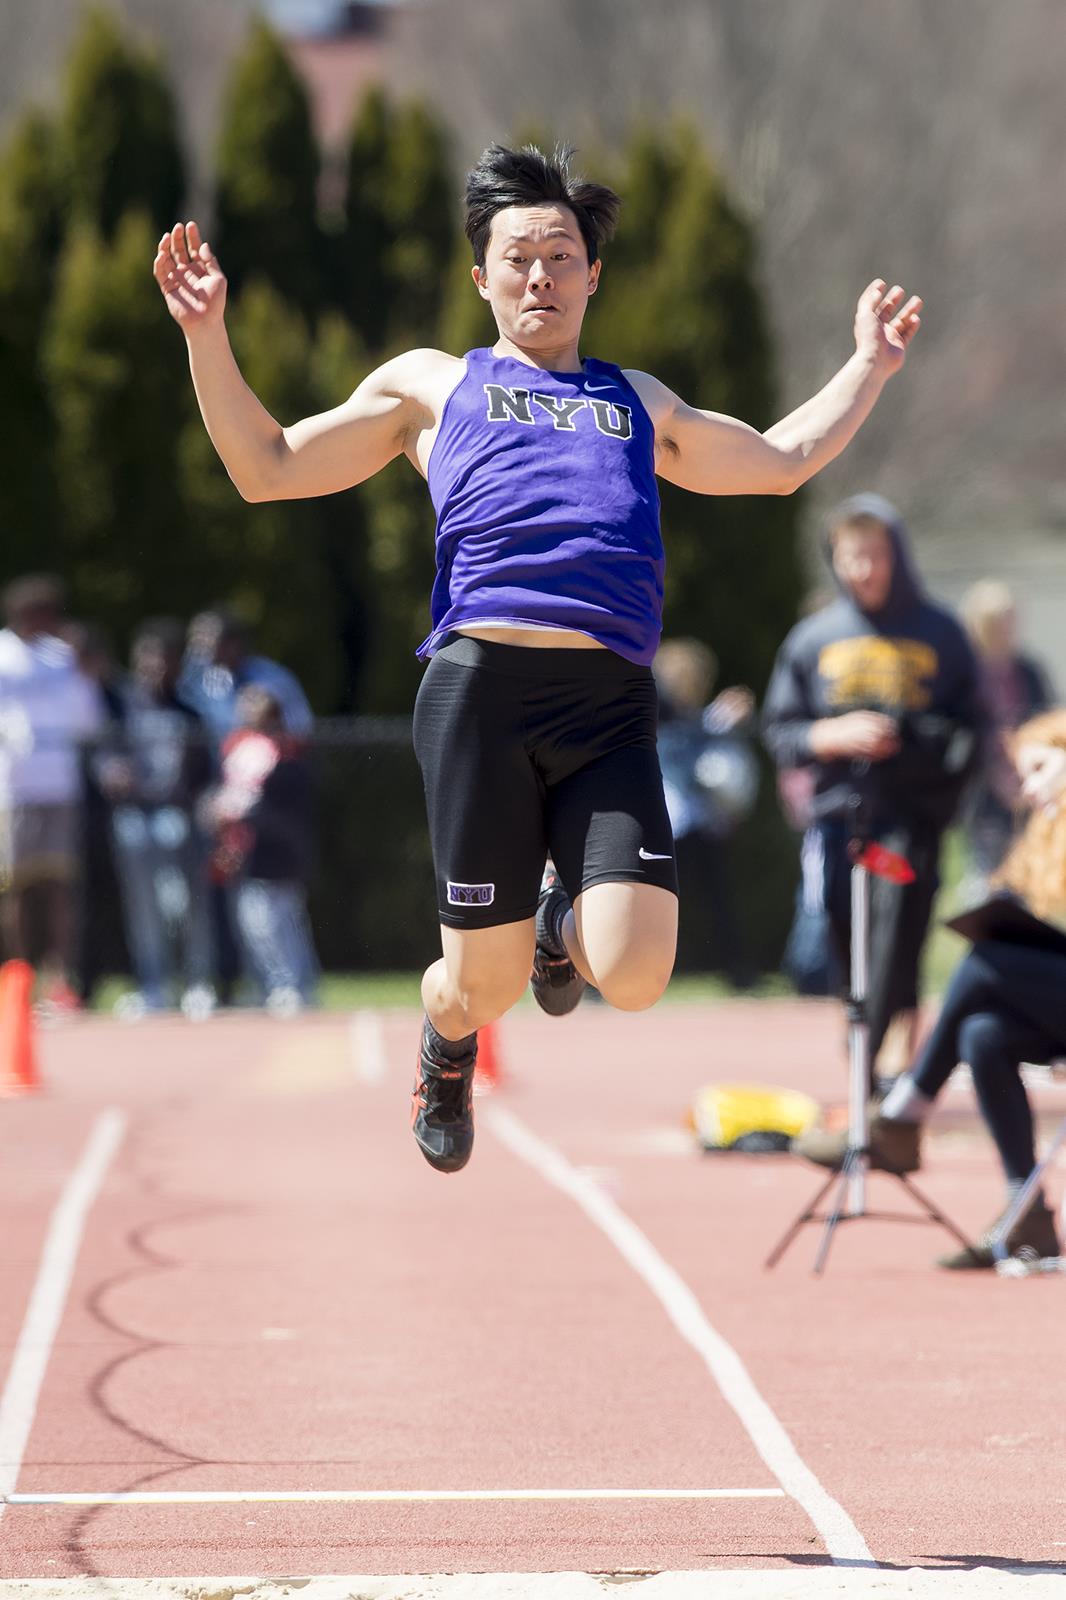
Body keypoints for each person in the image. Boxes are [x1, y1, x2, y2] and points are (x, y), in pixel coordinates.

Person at [154, 142, 922, 1173]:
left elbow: (780, 462)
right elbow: (267, 467)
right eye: (517, 259)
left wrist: (868, 365)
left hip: (607, 703)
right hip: (480, 696)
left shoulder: (636, 400)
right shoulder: (434, 386)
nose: (539, 278)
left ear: (593, 275)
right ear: (481, 277)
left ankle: (559, 921)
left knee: (636, 976)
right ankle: (446, 1042)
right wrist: (207, 335)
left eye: (561, 258)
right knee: (483, 984)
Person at [795, 708, 1066, 1269]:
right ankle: (1028, 1213)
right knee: (984, 1035)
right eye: (1024, 775)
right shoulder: (1045, 836)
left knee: (985, 961)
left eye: (1042, 768)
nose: (1029, 787)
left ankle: (902, 1114)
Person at [762, 495, 984, 1091]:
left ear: (897, 557)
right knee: (848, 939)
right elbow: (779, 732)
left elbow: (972, 727)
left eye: (875, 556)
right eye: (851, 557)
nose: (864, 570)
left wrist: (918, 746)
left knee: (899, 936)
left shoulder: (941, 633)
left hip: (910, 821)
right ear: (835, 559)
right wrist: (831, 735)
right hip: (839, 820)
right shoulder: (813, 638)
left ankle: (886, 1064)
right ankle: (864, 1049)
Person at [95, 619, 215, 1017]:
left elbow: (205, 771)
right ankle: (154, 986)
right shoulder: (120, 706)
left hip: (177, 816)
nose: (156, 666)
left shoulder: (189, 711)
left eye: (165, 658)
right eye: (148, 657)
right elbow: (103, 756)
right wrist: (111, 772)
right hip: (134, 816)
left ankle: (197, 983)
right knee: (143, 909)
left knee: (186, 906)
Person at [0, 575, 103, 1008]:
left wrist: (84, 674)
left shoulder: (62, 658)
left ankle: (59, 979)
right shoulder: (3, 654)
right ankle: (20, 977)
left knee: (60, 886)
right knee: (19, 887)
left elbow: (88, 722)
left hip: (59, 784)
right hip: (15, 787)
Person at [202, 685, 318, 1014]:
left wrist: (241, 814)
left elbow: (276, 803)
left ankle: (293, 985)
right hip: (244, 847)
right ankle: (270, 984)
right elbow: (231, 790)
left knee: (278, 921)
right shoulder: (239, 747)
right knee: (252, 922)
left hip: (275, 849)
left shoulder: (285, 752)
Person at [653, 638, 756, 982]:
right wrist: (719, 717)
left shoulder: (692, 715)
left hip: (698, 824)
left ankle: (738, 971)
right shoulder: (654, 709)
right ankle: (641, 969)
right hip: (665, 823)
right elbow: (684, 739)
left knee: (718, 898)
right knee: (657, 901)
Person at [958, 579, 1053, 884]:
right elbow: (962, 734)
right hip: (983, 793)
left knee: (1029, 875)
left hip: (1029, 786)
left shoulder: (1029, 671)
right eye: (999, 621)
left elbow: (1048, 723)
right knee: (986, 879)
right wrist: (994, 774)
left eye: (1011, 619)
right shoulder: (966, 675)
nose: (1008, 629)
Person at [179, 609, 313, 743]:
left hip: (262, 752)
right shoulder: (194, 678)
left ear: (234, 644)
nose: (200, 647)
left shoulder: (273, 677)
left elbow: (302, 726)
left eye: (208, 638)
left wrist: (270, 719)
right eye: (196, 639)